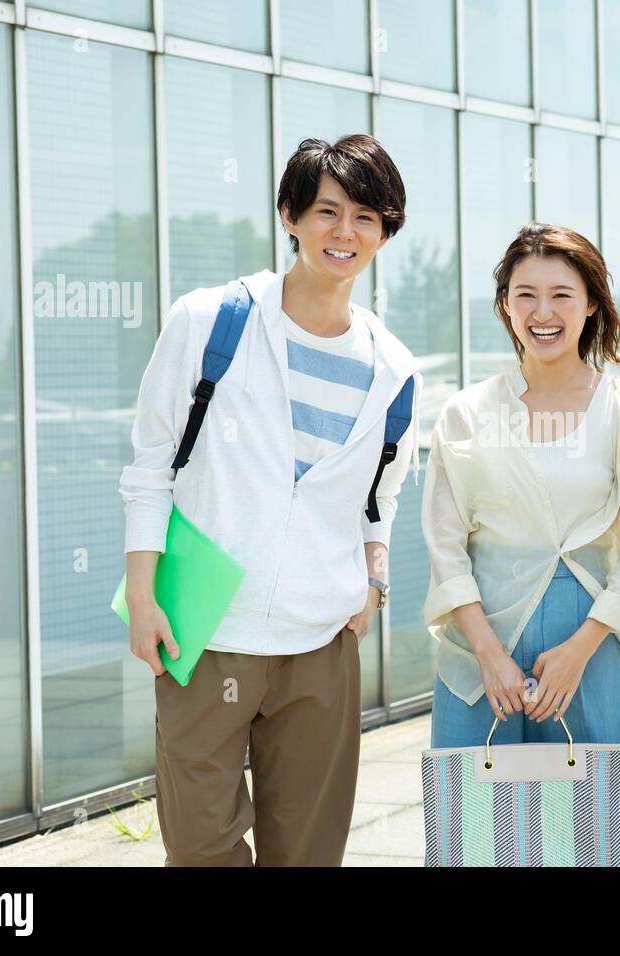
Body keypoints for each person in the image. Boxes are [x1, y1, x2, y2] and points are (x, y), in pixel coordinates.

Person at [119, 134, 422, 866]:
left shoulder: (395, 370)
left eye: (365, 218)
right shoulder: (209, 320)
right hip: (205, 634)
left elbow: (380, 497)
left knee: (307, 854)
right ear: (289, 215)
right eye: (326, 212)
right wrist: (142, 593)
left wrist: (373, 582)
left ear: (384, 232)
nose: (343, 233)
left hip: (320, 647)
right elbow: (151, 462)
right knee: (200, 850)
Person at [421, 222, 620, 867]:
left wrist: (578, 653)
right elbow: (446, 546)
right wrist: (487, 654)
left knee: (594, 843)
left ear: (592, 302)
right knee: (475, 840)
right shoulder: (465, 413)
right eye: (525, 294)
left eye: (562, 295)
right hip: (479, 645)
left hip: (589, 636)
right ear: (505, 304)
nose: (543, 312)